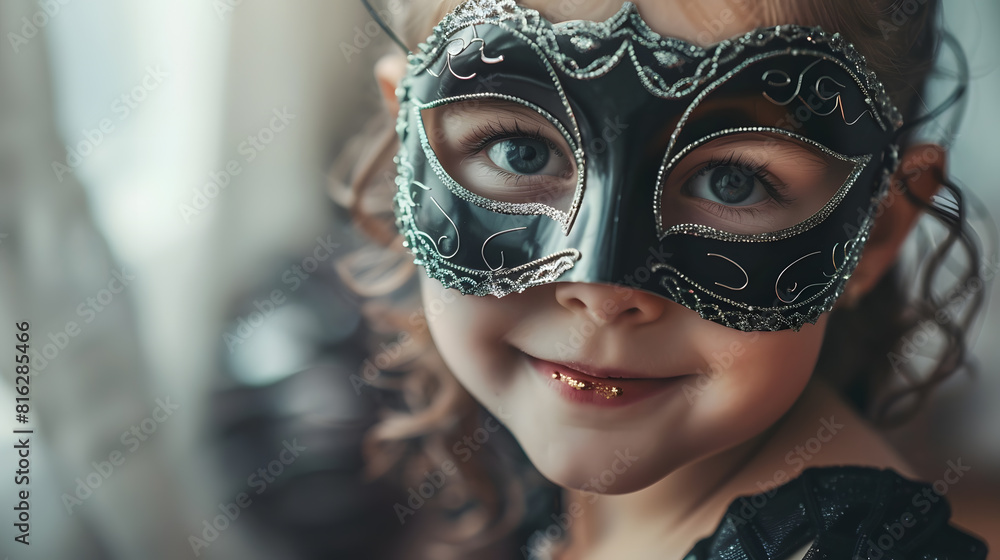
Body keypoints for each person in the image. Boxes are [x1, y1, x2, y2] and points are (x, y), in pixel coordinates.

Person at [335, 0, 993, 557]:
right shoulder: (526, 479)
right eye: (521, 150)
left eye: (730, 182)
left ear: (876, 229)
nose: (603, 290)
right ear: (407, 142)